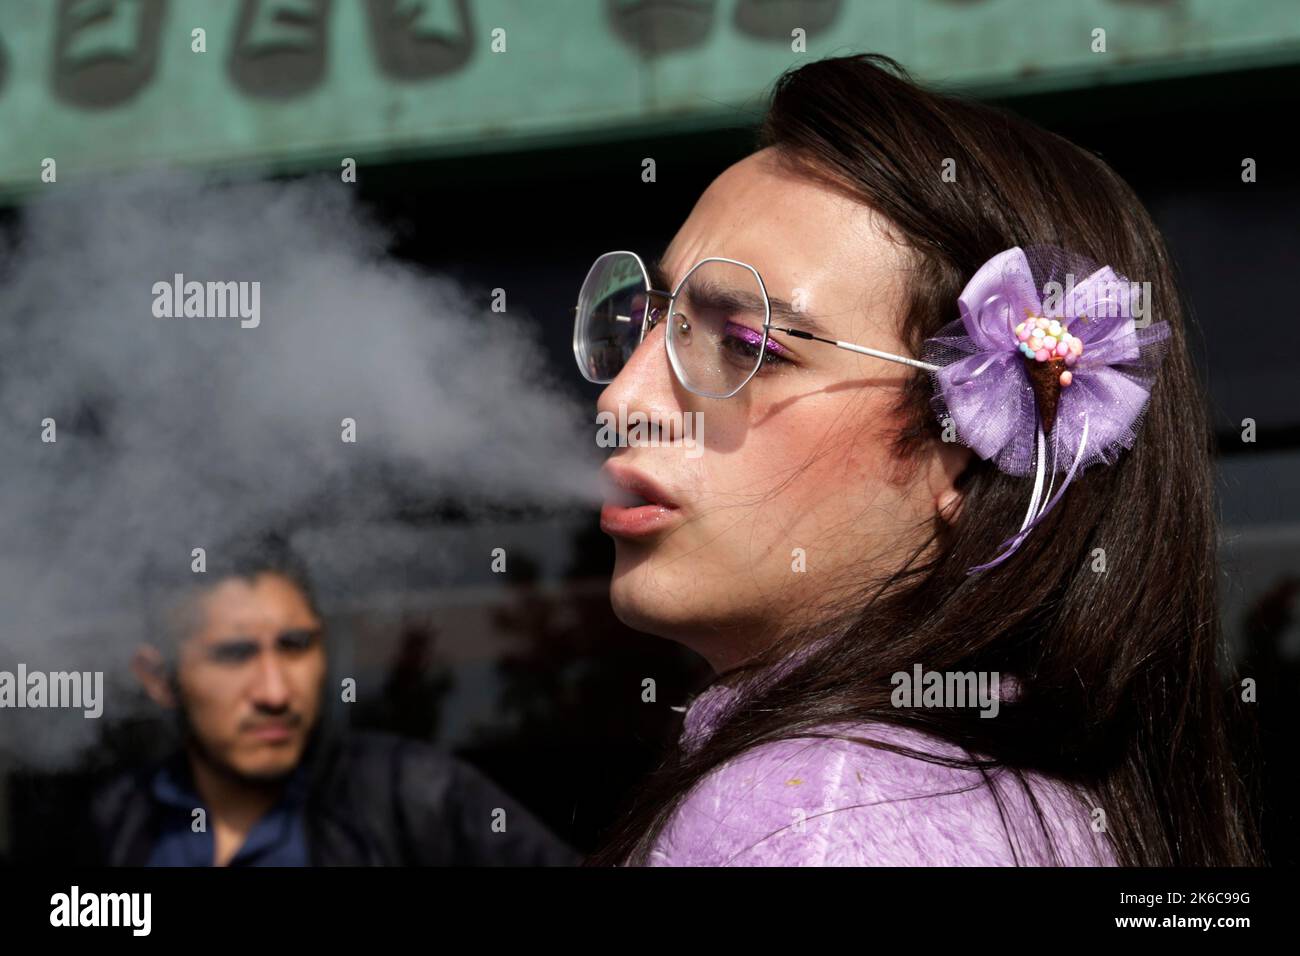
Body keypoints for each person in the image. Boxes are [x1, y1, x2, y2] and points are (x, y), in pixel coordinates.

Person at [577, 54, 1262, 866]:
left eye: (745, 343)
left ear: (972, 457)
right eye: (652, 319)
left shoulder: (812, 822)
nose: (622, 401)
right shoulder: (1037, 804)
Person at [91, 533, 578, 866]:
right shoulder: (119, 819)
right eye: (234, 655)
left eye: (296, 645)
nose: (276, 692)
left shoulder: (415, 794)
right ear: (156, 678)